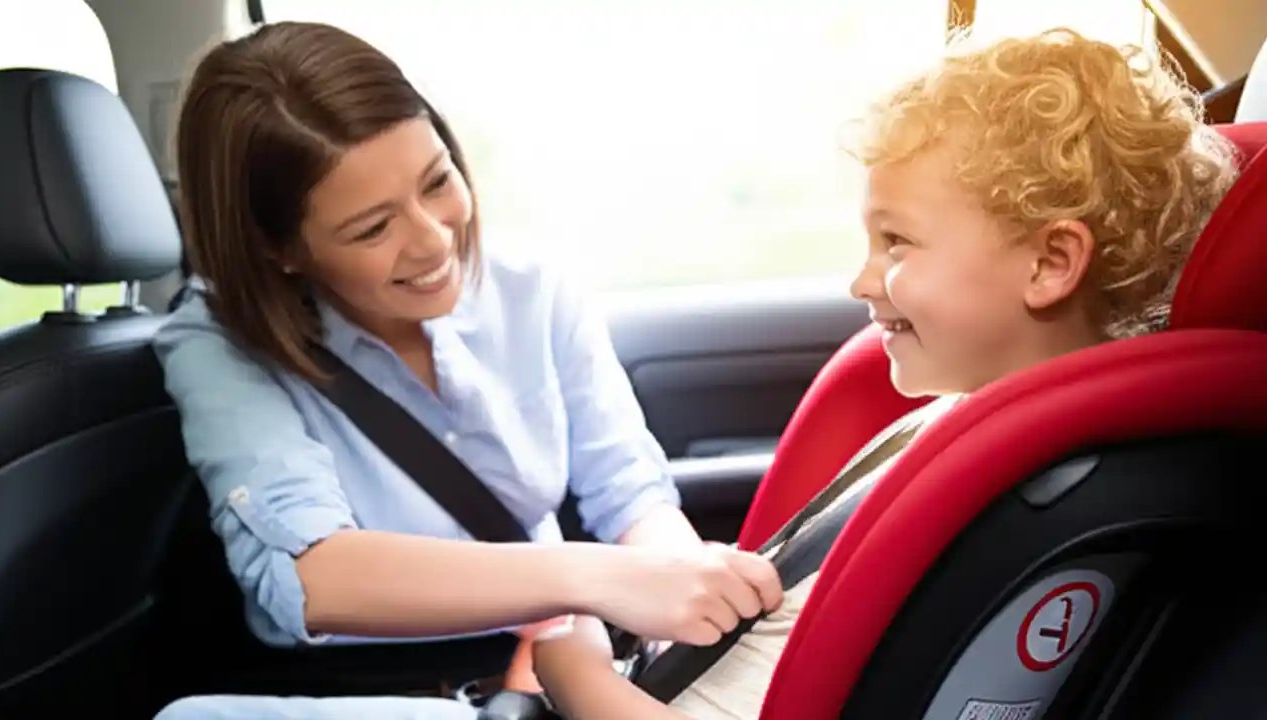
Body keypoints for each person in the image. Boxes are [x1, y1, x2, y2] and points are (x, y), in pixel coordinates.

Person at [524, 26, 1243, 720]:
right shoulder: (995, 435)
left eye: (896, 242)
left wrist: (574, 670)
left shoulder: (989, 487)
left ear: (1051, 264)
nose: (860, 281)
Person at [151, 18, 782, 717]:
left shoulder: (531, 287)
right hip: (380, 689)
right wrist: (588, 580)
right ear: (279, 249)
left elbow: (628, 486)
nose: (431, 240)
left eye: (437, 181)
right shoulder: (221, 341)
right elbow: (309, 576)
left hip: (563, 656)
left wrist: (683, 596)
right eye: (373, 228)